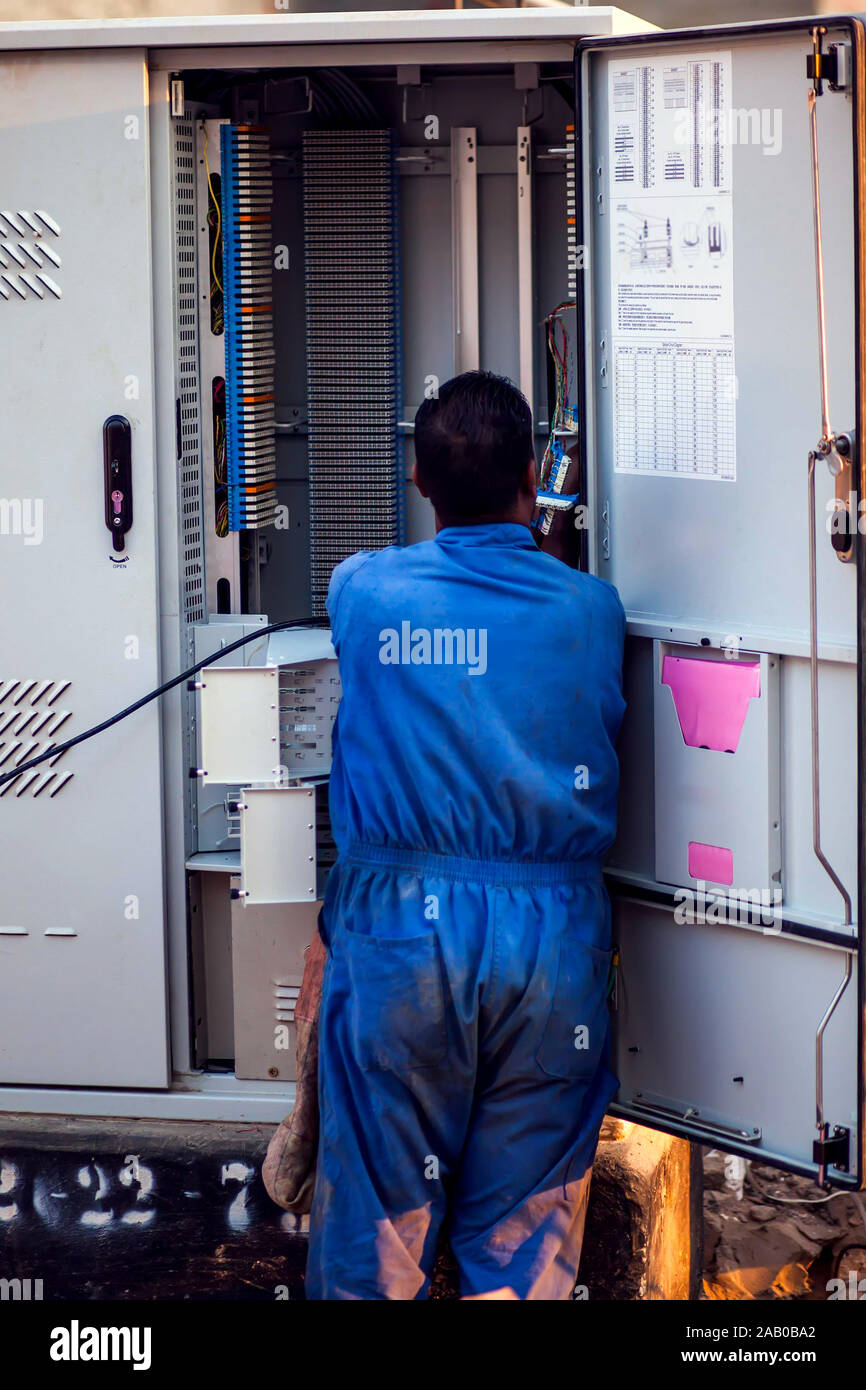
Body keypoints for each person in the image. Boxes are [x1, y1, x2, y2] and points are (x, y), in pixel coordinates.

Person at [302, 370, 626, 1299]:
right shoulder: (591, 610)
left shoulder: (362, 591)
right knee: (526, 1247)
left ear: (418, 482)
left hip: (401, 939)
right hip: (552, 949)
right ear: (534, 474)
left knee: (379, 1234)